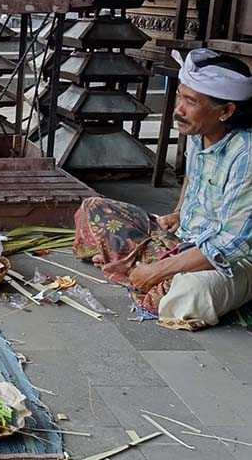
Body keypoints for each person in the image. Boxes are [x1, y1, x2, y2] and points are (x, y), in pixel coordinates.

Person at [74, 49, 252, 330]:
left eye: (191, 101)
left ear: (226, 111)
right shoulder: (199, 132)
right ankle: (145, 272)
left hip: (230, 261)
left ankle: (142, 270)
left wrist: (158, 269)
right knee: (93, 208)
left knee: (192, 293)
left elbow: (231, 245)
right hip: (182, 240)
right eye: (180, 96)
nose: (178, 109)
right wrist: (178, 213)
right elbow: (193, 178)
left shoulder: (246, 155)